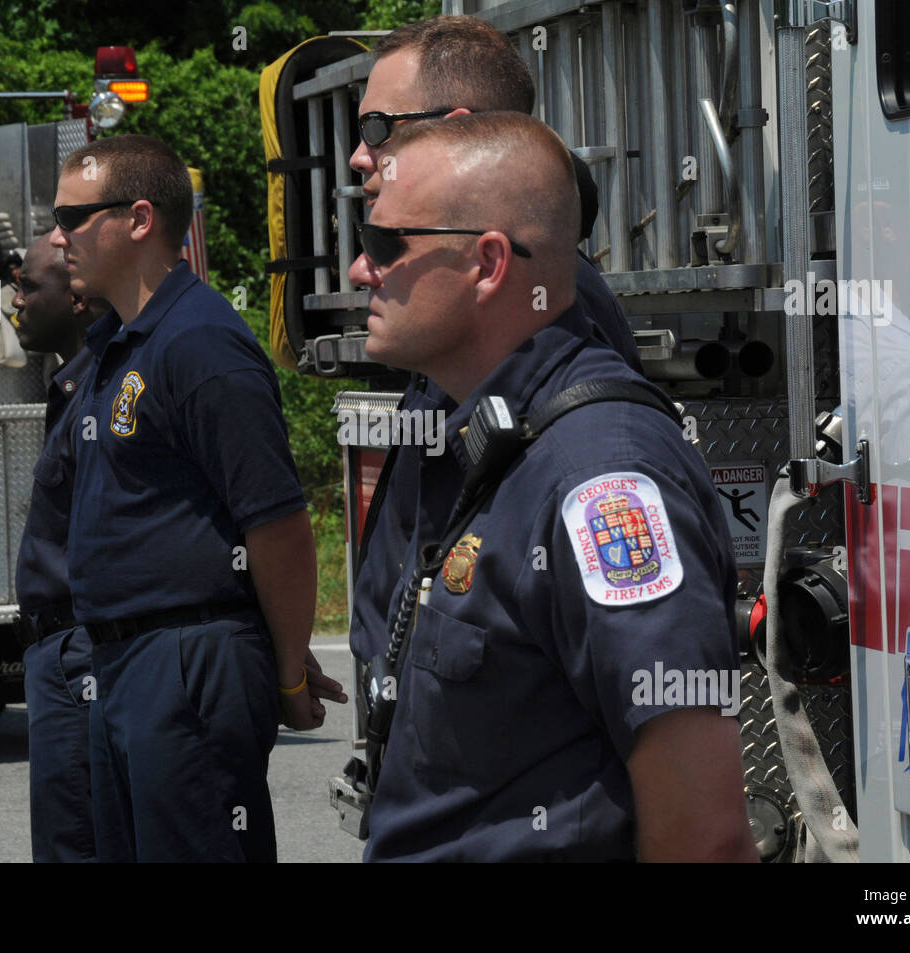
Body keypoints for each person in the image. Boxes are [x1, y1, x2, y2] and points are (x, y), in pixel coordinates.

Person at [347, 111, 757, 861]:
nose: (359, 269)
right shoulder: (492, 437)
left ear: (490, 262)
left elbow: (703, 833)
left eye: (384, 243)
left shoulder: (604, 480)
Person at [49, 135, 337, 862]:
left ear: (139, 219)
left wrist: (291, 666)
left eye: (72, 216)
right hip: (125, 661)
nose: (57, 237)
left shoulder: (202, 342)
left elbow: (277, 525)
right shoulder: (124, 340)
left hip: (186, 661)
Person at [346, 14, 643, 671]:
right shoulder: (459, 313)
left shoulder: (549, 311)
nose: (358, 155)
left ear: (452, 126)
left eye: (376, 128)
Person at [12, 234, 109, 863]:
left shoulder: (107, 390)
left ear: (76, 299)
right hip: (59, 654)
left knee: (77, 844)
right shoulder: (74, 386)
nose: (11, 301)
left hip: (82, 656)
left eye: (27, 287)